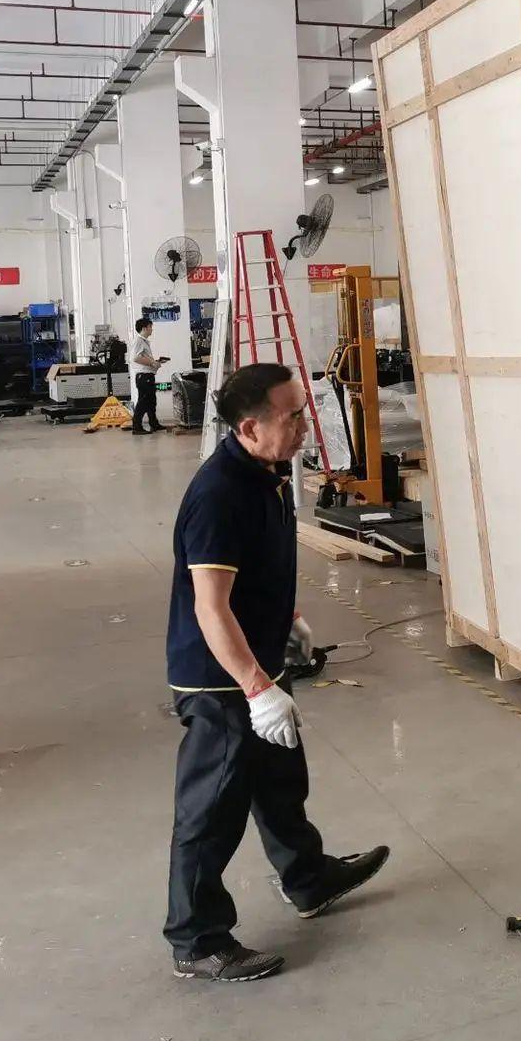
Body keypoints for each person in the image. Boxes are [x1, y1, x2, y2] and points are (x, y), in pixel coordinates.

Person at [164, 362, 387, 982]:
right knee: (212, 810)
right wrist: (257, 689)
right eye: (292, 417)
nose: (304, 427)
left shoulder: (270, 474)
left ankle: (308, 878)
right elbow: (210, 607)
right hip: (220, 678)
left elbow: (259, 571)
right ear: (248, 428)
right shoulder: (220, 495)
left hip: (260, 658)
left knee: (280, 780)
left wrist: (287, 623)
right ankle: (197, 939)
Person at [130, 316, 163, 435]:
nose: (151, 329)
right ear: (144, 328)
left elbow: (143, 357)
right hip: (144, 377)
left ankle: (154, 424)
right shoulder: (139, 341)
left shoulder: (143, 342)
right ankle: (136, 426)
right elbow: (136, 358)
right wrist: (152, 363)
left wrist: (155, 362)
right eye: (150, 327)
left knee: (151, 401)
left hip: (148, 375)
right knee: (143, 402)